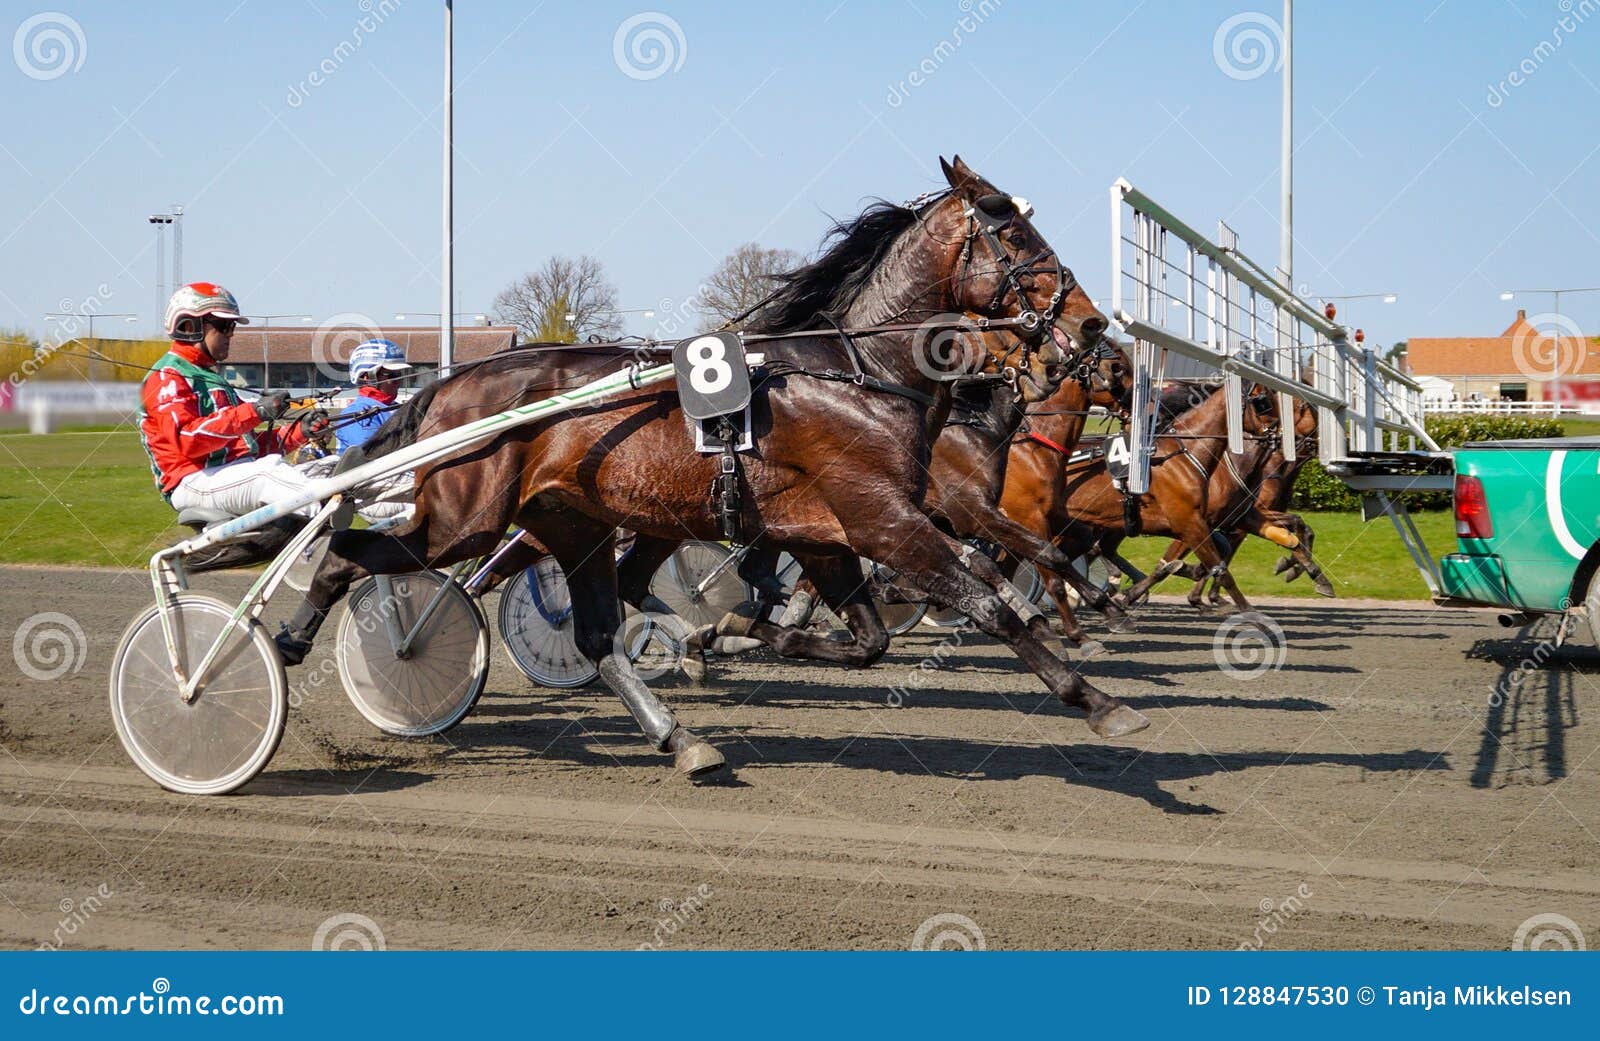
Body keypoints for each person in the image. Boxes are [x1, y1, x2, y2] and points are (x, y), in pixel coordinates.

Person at [138, 282, 331, 518]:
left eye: (232, 327)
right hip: (192, 480)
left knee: (327, 467)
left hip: (229, 474)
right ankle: (325, 514)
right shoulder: (166, 377)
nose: (231, 334)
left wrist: (300, 431)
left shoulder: (211, 378)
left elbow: (250, 446)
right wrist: (255, 411)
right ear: (189, 326)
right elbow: (188, 441)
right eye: (223, 326)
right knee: (267, 475)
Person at [336, 338, 412, 451]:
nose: (398, 380)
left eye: (399, 374)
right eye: (392, 375)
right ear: (367, 377)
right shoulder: (356, 411)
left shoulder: (396, 407)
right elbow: (372, 455)